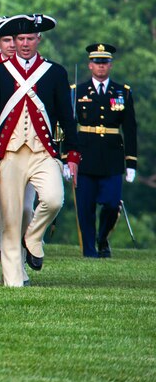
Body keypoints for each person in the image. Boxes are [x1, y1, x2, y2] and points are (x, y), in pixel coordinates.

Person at [0, 14, 78, 287]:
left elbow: (66, 117)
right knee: (10, 220)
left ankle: (32, 238)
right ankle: (13, 281)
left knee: (54, 199)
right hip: (9, 154)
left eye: (29, 38)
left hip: (42, 152)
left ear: (38, 39)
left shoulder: (55, 72)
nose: (24, 43)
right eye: (19, 38)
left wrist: (72, 154)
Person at [74, 43, 138, 258]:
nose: (101, 66)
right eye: (97, 62)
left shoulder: (122, 92)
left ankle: (102, 238)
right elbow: (67, 126)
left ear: (111, 65)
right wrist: (66, 158)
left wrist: (131, 162)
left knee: (112, 203)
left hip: (112, 157)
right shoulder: (77, 91)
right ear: (90, 65)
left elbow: (130, 129)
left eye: (105, 62)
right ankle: (90, 251)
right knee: (85, 207)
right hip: (85, 155)